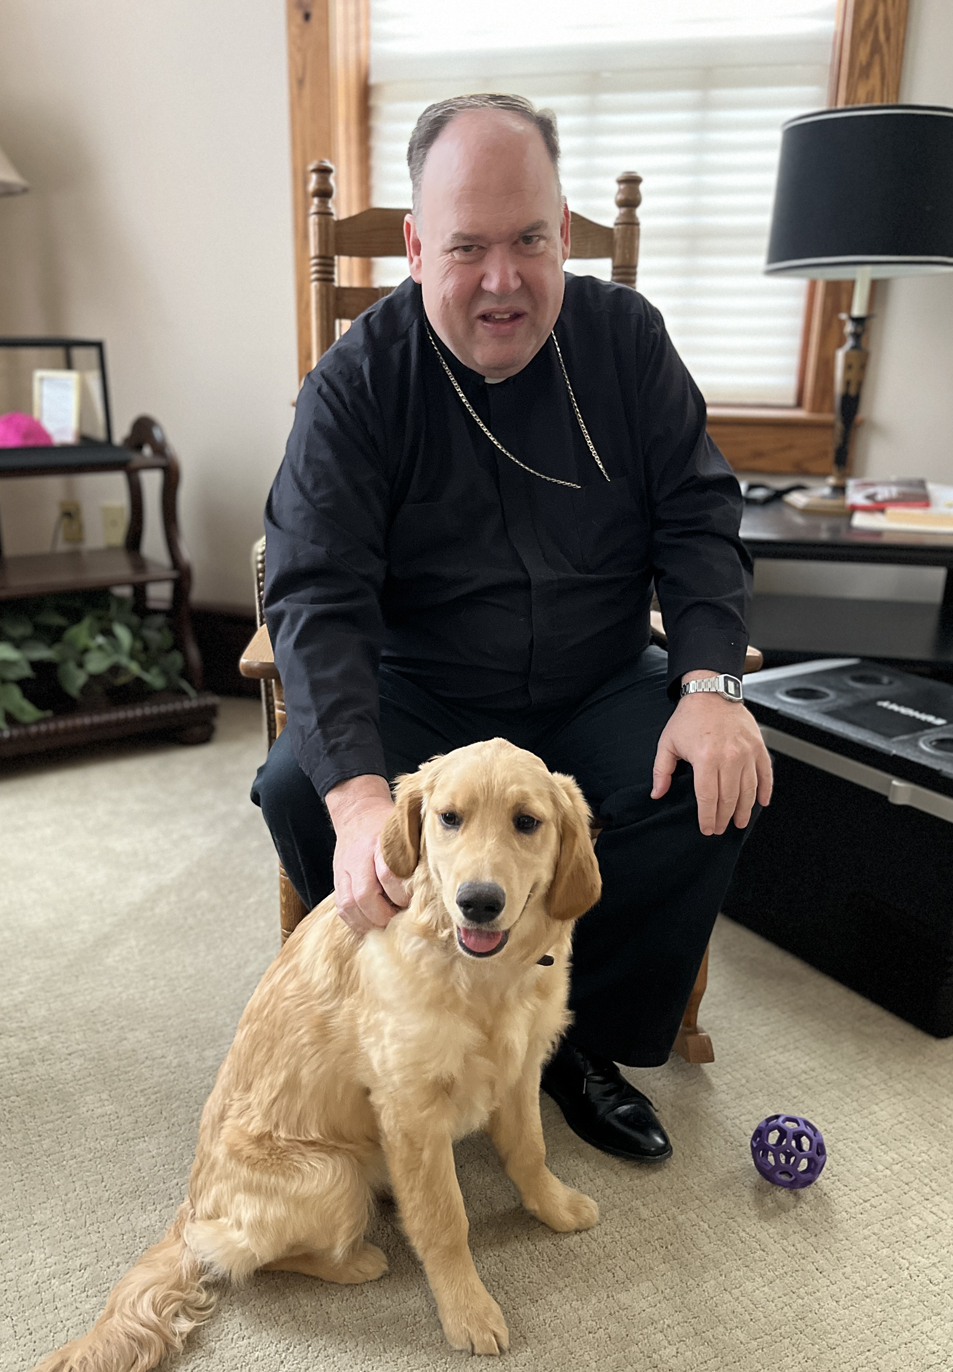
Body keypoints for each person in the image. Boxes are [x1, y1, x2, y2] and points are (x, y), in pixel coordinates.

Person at [253, 93, 773, 1164]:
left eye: (530, 239)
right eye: (468, 247)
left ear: (566, 230)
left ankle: (568, 1044)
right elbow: (315, 593)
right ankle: (422, 1019)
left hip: (594, 677)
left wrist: (711, 688)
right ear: (413, 246)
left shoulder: (626, 340)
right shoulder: (354, 386)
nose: (503, 280)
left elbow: (697, 517)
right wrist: (358, 799)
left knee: (714, 787)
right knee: (301, 789)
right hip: (427, 693)